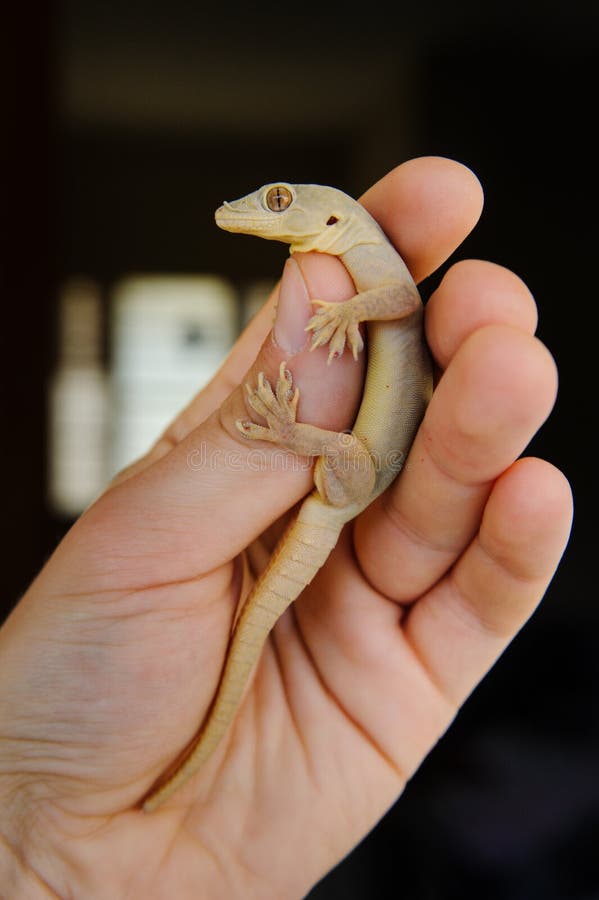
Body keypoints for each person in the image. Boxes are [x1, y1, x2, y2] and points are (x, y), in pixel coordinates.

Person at [0, 157, 572, 898]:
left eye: (274, 204)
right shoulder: (354, 258)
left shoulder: (372, 262)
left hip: (351, 476)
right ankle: (181, 772)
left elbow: (398, 297)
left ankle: (284, 434)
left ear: (332, 218)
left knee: (362, 450)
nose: (254, 210)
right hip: (348, 480)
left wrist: (306, 385)